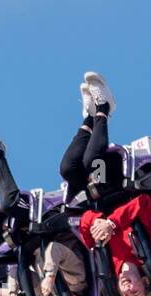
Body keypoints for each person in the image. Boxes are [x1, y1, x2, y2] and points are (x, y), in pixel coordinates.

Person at [77, 193, 151, 296]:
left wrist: (96, 221)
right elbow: (144, 202)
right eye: (134, 292)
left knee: (71, 175)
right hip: (128, 188)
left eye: (125, 294)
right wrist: (111, 223)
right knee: (100, 175)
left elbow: (84, 222)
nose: (127, 290)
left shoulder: (105, 264)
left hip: (99, 197)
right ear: (144, 281)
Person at [58, 72, 124, 204]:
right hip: (108, 182)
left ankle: (90, 118)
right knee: (92, 161)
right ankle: (103, 107)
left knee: (67, 169)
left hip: (95, 188)